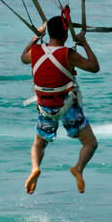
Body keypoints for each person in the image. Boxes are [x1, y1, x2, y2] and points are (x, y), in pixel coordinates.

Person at [21, 14, 99, 195]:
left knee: (39, 144)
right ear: (65, 35)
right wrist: (83, 42)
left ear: (49, 33)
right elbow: (94, 67)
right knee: (90, 143)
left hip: (45, 109)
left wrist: (36, 37)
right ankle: (78, 168)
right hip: (68, 107)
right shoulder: (68, 54)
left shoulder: (35, 52)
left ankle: (35, 168)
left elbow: (22, 58)